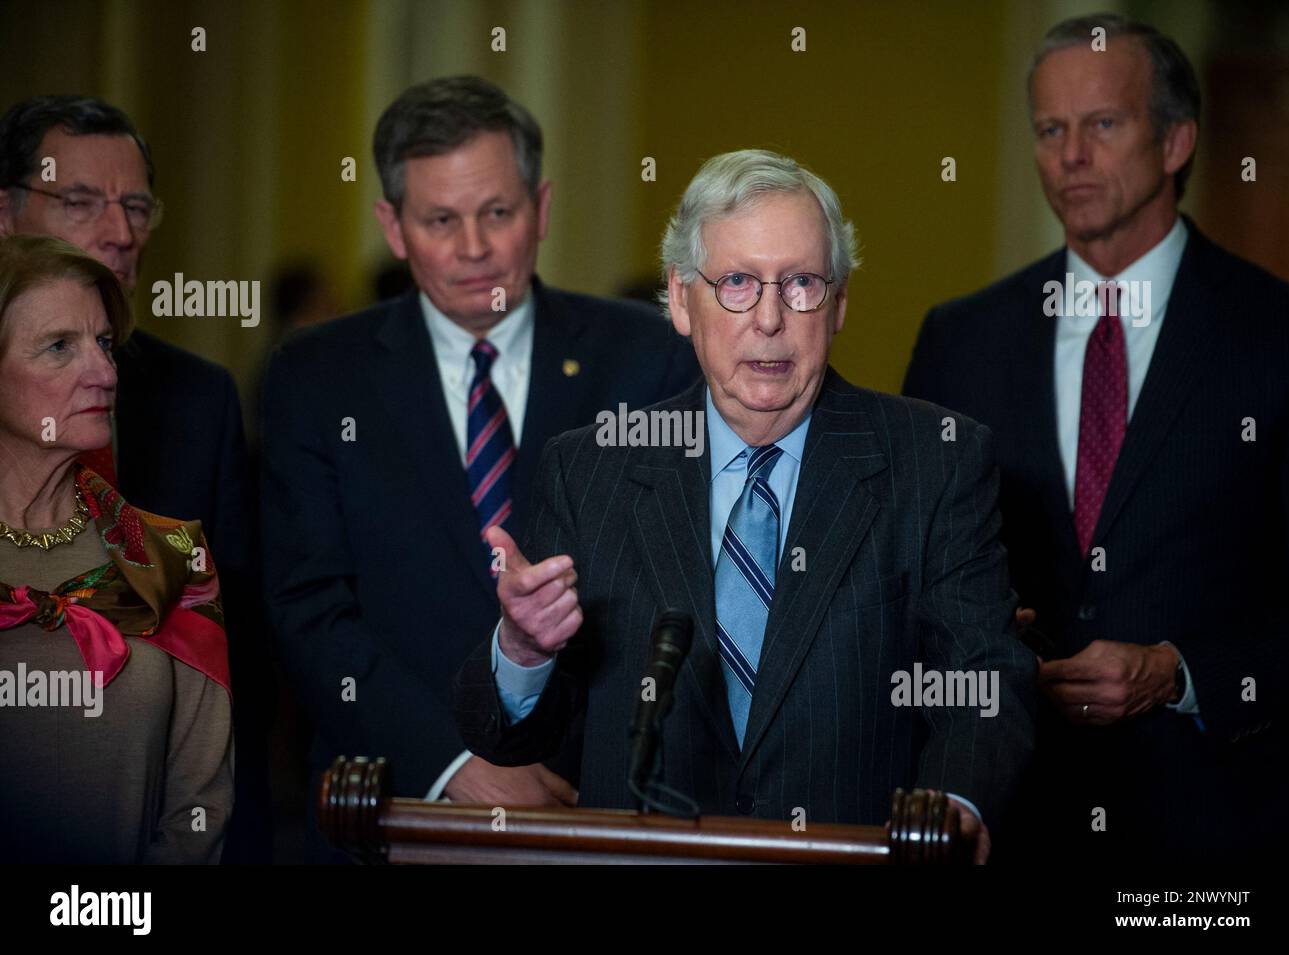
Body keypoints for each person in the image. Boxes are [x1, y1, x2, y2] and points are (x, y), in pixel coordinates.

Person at [454, 149, 1036, 862]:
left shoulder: (936, 461)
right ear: (678, 300)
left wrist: (950, 809)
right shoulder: (590, 469)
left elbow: (983, 677)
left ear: (840, 303)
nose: (768, 318)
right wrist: (523, 649)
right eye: (735, 282)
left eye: (800, 285)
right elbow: (513, 734)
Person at [261, 75, 698, 859]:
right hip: (385, 804)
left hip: (591, 806)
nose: (473, 247)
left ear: (542, 207)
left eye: (497, 212)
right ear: (393, 227)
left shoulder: (650, 357)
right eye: (440, 219)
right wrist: (457, 761)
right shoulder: (317, 376)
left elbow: (671, 588)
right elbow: (309, 607)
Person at [903, 14, 1289, 863]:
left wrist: (1180, 670)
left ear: (1176, 141)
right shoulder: (961, 340)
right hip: (1009, 817)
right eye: (1051, 129)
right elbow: (904, 578)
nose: (1071, 155)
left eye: (1103, 124)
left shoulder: (1280, 336)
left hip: (1214, 828)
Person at [0, 94, 271, 863]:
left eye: (137, 206)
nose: (119, 232)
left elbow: (227, 697)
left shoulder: (195, 410)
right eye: (81, 202)